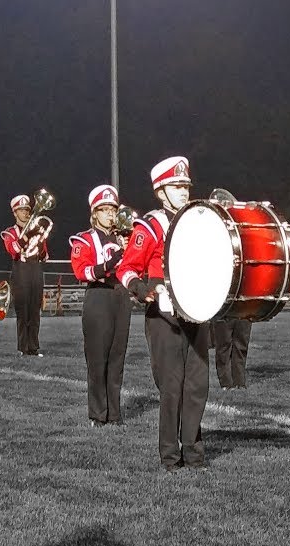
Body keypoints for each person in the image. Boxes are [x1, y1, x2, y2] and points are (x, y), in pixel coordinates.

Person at [115, 155, 211, 471]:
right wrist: (145, 291)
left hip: (197, 308)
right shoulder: (151, 224)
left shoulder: (198, 219)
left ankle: (194, 451)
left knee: (197, 384)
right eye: (176, 186)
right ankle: (170, 454)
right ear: (161, 191)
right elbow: (127, 268)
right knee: (172, 386)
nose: (183, 191)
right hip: (164, 313)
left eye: (185, 185)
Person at [67, 184, 131, 426]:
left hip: (120, 296)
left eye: (112, 210)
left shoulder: (123, 237)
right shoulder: (84, 239)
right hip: (98, 297)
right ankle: (97, 414)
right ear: (94, 213)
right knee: (97, 358)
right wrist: (111, 262)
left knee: (117, 357)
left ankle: (114, 414)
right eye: (104, 210)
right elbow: (81, 271)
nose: (110, 215)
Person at [1, 193, 49, 356]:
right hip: (20, 269)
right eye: (21, 210)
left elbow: (44, 256)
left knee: (35, 309)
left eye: (27, 210)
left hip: (35, 268)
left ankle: (33, 347)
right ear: (15, 213)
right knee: (23, 310)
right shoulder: (9, 232)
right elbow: (13, 250)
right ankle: (23, 347)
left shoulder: (37, 230)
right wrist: (28, 234)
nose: (26, 213)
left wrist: (41, 240)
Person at [212, 317, 251, 389]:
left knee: (241, 347)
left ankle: (239, 383)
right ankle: (226, 383)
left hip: (244, 312)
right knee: (223, 348)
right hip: (224, 311)